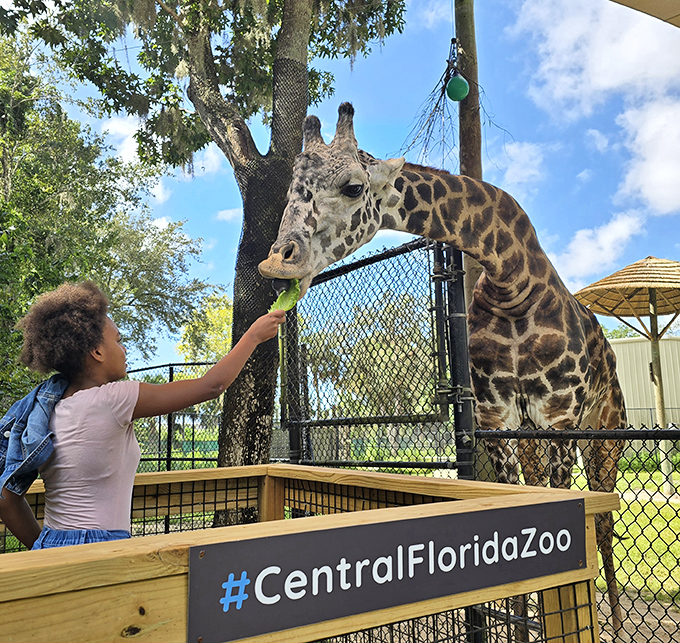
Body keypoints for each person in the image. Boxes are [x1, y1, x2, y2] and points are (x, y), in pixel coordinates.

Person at [0, 281, 285, 549]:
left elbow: (6, 498)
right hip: (102, 546)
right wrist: (253, 336)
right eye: (118, 340)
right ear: (97, 351)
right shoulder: (114, 399)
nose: (124, 349)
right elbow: (212, 386)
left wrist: (44, 546)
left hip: (52, 541)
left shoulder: (46, 409)